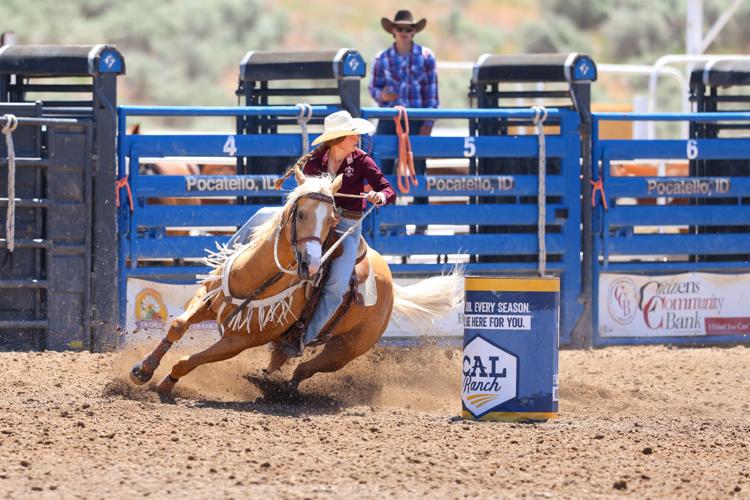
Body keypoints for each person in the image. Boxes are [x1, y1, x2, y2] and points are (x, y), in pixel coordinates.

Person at [279, 110, 396, 357]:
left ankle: (304, 337)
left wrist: (379, 196)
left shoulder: (362, 161)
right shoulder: (315, 162)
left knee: (336, 284)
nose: (357, 138)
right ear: (339, 138)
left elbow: (388, 189)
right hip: (316, 226)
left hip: (347, 227)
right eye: (352, 134)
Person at [369, 9, 438, 235]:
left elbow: (432, 94)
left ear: (414, 32)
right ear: (394, 32)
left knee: (418, 171)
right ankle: (388, 222)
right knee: (384, 170)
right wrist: (382, 96)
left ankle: (420, 223)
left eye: (409, 29)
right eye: (401, 29)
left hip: (417, 121)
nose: (405, 33)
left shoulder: (426, 57)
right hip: (390, 119)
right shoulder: (382, 58)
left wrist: (428, 122)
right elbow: (373, 88)